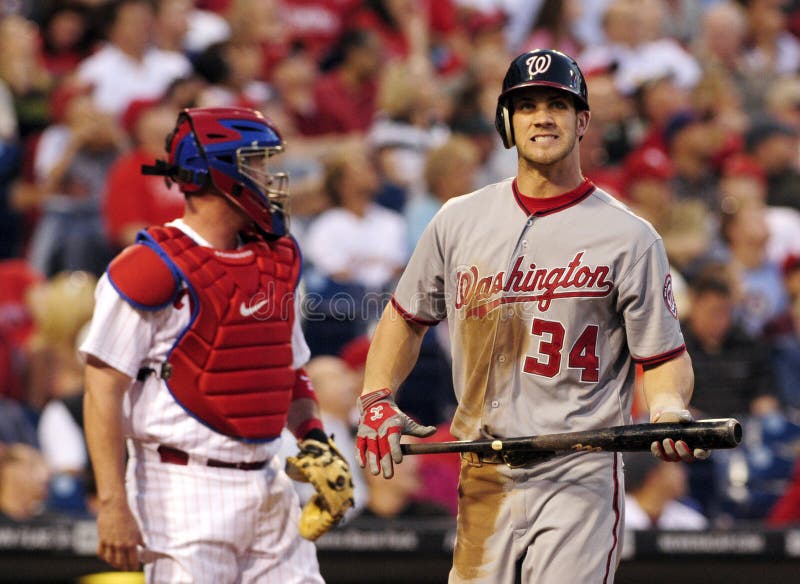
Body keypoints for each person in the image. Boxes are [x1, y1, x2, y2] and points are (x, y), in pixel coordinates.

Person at [355, 49, 708, 584]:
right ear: (507, 121)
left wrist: (665, 409)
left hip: (578, 468)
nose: (542, 116)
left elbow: (663, 355)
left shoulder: (629, 236)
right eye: (526, 106)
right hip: (482, 469)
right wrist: (377, 398)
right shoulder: (458, 219)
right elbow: (404, 318)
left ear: (582, 121)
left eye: (557, 105)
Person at [81, 106, 353, 582]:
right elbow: (101, 389)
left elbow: (287, 368)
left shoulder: (277, 257)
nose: (269, 176)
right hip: (181, 486)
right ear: (221, 171)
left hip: (268, 479)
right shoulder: (149, 266)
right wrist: (112, 504)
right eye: (257, 162)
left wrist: (314, 438)